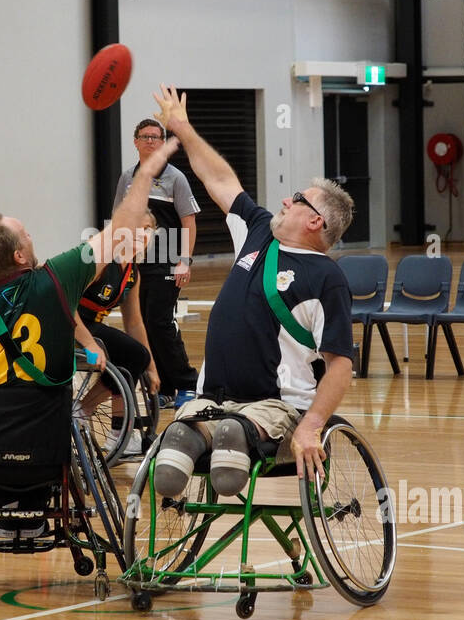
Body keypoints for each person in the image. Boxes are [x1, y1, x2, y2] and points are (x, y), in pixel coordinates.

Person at [0, 136, 181, 537]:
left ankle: (0, 507)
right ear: (19, 256)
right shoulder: (56, 279)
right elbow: (121, 229)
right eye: (27, 235)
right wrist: (148, 171)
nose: (33, 238)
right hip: (50, 442)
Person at [147, 84, 356, 499]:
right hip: (213, 400)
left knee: (231, 437)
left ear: (315, 222)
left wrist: (313, 425)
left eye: (296, 199)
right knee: (172, 455)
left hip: (274, 407)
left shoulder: (326, 279)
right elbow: (219, 179)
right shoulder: (258, 229)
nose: (285, 199)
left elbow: (340, 366)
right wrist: (184, 130)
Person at [112, 118, 200, 407]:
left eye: (156, 137)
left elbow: (189, 222)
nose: (150, 141)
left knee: (161, 323)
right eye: (145, 136)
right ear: (135, 141)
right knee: (143, 327)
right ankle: (161, 386)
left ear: (163, 144)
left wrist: (184, 260)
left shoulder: (176, 178)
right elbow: (119, 221)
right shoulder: (127, 178)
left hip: (167, 260)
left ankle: (186, 383)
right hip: (135, 263)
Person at [73, 210, 159, 457]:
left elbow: (134, 323)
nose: (141, 233)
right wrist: (89, 344)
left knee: (134, 356)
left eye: (147, 228)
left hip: (92, 327)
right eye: (135, 227)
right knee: (131, 354)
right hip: (69, 323)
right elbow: (66, 304)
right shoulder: (101, 260)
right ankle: (85, 409)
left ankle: (118, 434)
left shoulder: (132, 271)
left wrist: (151, 367)